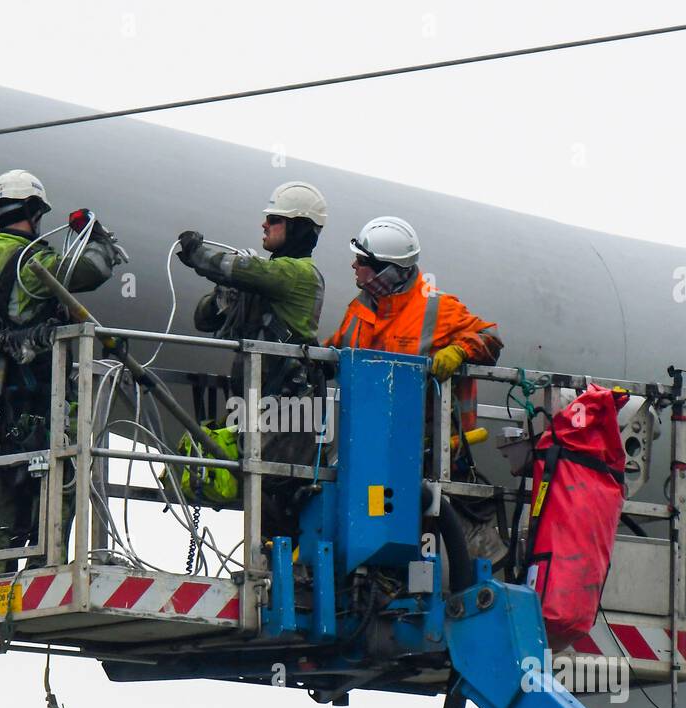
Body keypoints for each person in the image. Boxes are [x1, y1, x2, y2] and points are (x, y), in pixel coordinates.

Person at [0, 169, 127, 574]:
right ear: (35, 211)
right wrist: (99, 238)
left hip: (2, 393)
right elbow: (86, 274)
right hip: (40, 388)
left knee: (10, 482)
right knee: (61, 477)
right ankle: (44, 569)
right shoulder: (31, 261)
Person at [175, 182, 329, 538]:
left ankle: (289, 571)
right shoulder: (265, 281)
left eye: (274, 219)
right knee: (262, 509)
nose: (264, 225)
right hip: (255, 410)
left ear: (298, 228)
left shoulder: (300, 274)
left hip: (289, 415)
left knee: (281, 504)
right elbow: (204, 319)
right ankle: (272, 577)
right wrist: (223, 296)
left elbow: (246, 270)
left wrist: (199, 254)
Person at [325, 215, 503, 433]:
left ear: (387, 270)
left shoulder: (438, 307)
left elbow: (490, 337)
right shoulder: (361, 309)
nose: (354, 265)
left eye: (361, 261)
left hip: (427, 450)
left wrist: (460, 350)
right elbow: (332, 352)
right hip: (369, 436)